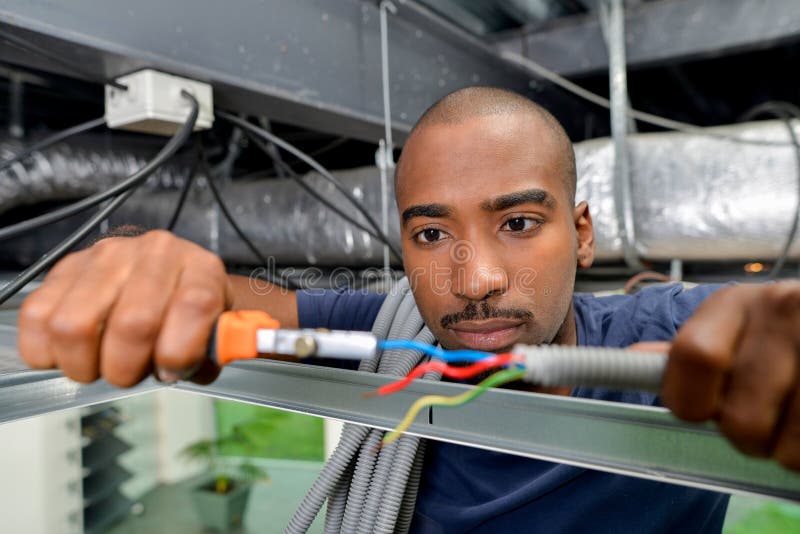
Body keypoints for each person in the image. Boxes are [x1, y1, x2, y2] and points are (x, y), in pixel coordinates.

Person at [17, 86, 800, 532]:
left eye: (519, 223)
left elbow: (763, 326)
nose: (475, 279)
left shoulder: (672, 335)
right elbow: (231, 298)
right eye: (431, 232)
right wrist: (145, 263)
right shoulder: (391, 337)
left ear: (582, 234)